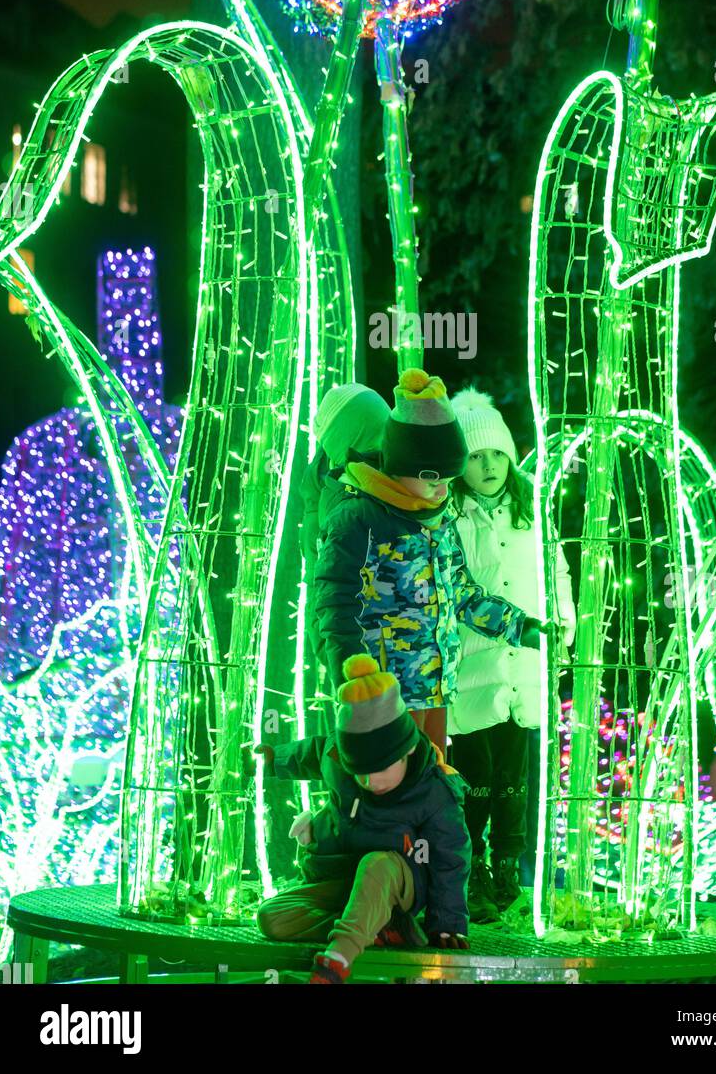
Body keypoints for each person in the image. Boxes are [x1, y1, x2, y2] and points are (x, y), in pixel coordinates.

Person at [310, 368, 536, 756]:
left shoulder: (439, 519)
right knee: (395, 797)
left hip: (437, 688)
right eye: (433, 478)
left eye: (449, 479)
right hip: (387, 695)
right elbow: (335, 607)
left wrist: (518, 625)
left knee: (435, 791)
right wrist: (355, 681)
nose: (443, 490)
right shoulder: (359, 518)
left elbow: (462, 593)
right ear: (400, 466)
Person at [255, 653, 472, 984]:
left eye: (381, 770)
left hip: (396, 880)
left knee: (376, 864)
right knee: (272, 918)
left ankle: (334, 963)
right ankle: (379, 929)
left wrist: (447, 923)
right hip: (344, 879)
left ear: (407, 750)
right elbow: (309, 753)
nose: (372, 783)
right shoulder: (336, 755)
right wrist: (273, 759)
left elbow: (449, 858)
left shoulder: (433, 790)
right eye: (361, 773)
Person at [447, 388, 575, 921]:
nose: (489, 465)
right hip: (472, 668)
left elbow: (558, 573)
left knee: (515, 781)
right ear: (461, 464)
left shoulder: (530, 514)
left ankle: (508, 865)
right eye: (476, 456)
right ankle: (470, 864)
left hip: (526, 667)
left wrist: (563, 627)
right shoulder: (451, 516)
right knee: (475, 776)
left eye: (497, 453)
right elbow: (452, 589)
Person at [300, 384, 390, 668]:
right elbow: (329, 594)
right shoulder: (344, 501)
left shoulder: (374, 484)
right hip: (369, 663)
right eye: (378, 432)